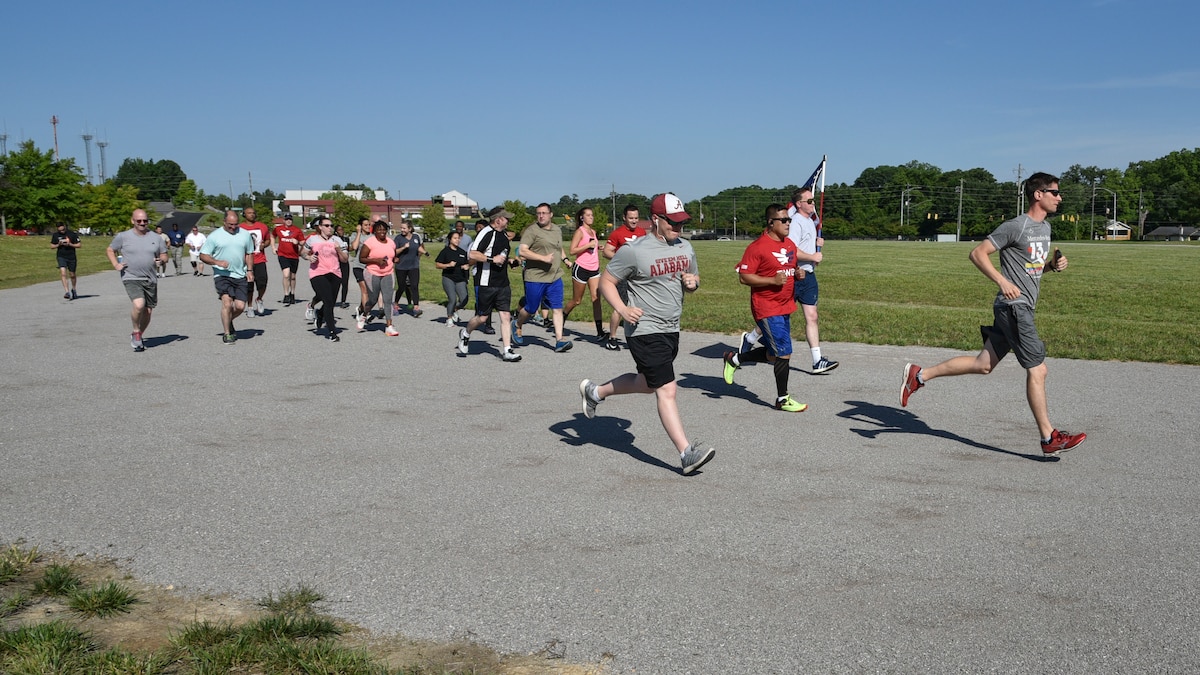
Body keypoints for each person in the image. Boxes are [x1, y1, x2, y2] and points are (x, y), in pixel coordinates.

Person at [899, 172, 1087, 456]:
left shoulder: (1045, 228)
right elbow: (977, 253)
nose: (1060, 198)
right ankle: (1049, 437)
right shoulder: (1015, 226)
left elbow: (1031, 270)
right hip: (1014, 307)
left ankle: (919, 375)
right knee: (1038, 369)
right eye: (1055, 192)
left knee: (983, 364)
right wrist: (1002, 281)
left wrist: (1051, 266)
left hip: (1019, 307)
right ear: (1038, 195)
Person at [578, 193, 715, 475]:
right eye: (672, 222)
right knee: (667, 388)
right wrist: (622, 309)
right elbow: (606, 282)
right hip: (644, 329)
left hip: (671, 328)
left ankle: (595, 392)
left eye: (681, 222)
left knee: (649, 383)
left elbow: (693, 278)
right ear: (655, 219)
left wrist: (693, 283)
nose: (678, 227)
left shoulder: (686, 247)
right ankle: (686, 453)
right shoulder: (634, 250)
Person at [739, 187, 838, 374]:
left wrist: (817, 246)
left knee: (812, 316)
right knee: (778, 315)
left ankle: (817, 360)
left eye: (814, 200)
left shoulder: (811, 222)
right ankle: (750, 339)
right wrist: (812, 256)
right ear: (799, 204)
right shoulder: (796, 222)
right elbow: (789, 250)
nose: (813, 204)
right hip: (789, 276)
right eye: (809, 201)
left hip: (807, 275)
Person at [721, 204, 807, 412]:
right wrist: (771, 281)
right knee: (784, 353)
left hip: (785, 306)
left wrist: (798, 274)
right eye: (783, 220)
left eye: (789, 220)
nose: (788, 223)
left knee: (772, 354)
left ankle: (735, 359)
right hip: (767, 307)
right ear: (770, 222)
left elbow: (790, 268)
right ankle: (782, 399)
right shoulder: (757, 247)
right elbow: (744, 277)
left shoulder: (789, 244)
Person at [456, 206, 521, 362]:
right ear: (498, 220)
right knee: (482, 318)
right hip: (486, 282)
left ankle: (507, 350)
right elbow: (472, 254)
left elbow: (500, 255)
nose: (508, 220)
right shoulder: (485, 233)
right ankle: (465, 333)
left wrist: (510, 261)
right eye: (506, 218)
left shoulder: (503, 234)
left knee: (505, 315)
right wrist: (492, 259)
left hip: (503, 282)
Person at [512, 203, 573, 353]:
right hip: (535, 277)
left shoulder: (557, 229)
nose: (541, 216)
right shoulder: (532, 231)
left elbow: (558, 247)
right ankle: (517, 324)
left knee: (557, 308)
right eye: (538, 213)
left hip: (555, 276)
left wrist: (565, 260)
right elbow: (522, 251)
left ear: (551, 214)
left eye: (544, 213)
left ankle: (559, 340)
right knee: (531, 308)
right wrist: (542, 258)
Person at [105, 209, 168, 351]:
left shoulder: (156, 237)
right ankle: (135, 330)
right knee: (139, 305)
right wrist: (115, 264)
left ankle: (138, 335)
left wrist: (161, 261)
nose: (142, 223)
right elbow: (110, 250)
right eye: (139, 221)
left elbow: (164, 255)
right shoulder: (123, 236)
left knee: (148, 311)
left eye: (145, 220)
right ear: (132, 221)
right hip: (131, 276)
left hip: (150, 278)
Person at [199, 210, 256, 344]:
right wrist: (216, 262)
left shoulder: (245, 234)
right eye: (230, 224)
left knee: (240, 306)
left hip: (240, 274)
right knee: (227, 303)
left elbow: (249, 253)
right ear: (224, 222)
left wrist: (250, 270)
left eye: (235, 224)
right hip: (222, 274)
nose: (233, 227)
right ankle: (227, 333)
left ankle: (228, 320)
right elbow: (203, 255)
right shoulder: (215, 236)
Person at [601, 203, 648, 351]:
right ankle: (612, 338)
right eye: (631, 218)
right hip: (622, 276)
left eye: (636, 218)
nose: (634, 221)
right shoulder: (617, 233)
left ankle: (640, 337)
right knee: (620, 306)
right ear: (624, 218)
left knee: (641, 305)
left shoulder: (642, 232)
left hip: (638, 276)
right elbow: (606, 252)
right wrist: (623, 261)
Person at [302, 216, 348, 341]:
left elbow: (345, 259)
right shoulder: (312, 239)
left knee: (331, 302)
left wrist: (338, 249)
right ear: (320, 227)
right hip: (318, 273)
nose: (330, 228)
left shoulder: (337, 240)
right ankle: (332, 332)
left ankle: (320, 313)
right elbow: (303, 252)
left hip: (335, 273)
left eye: (331, 226)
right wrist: (309, 257)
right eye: (327, 226)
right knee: (328, 301)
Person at [562, 206, 604, 339]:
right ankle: (561, 318)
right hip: (581, 269)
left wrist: (598, 247)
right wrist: (587, 246)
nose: (591, 217)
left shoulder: (593, 231)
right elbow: (572, 251)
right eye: (588, 215)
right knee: (577, 300)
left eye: (592, 215)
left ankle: (600, 332)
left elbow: (592, 248)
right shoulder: (580, 232)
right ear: (582, 217)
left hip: (594, 269)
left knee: (596, 299)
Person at [356, 219, 399, 337]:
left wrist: (395, 259)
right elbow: (362, 258)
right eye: (379, 230)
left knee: (388, 299)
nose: (382, 232)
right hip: (372, 273)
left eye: (384, 229)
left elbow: (393, 255)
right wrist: (376, 261)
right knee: (373, 299)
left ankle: (389, 326)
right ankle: (364, 314)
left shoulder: (391, 242)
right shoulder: (370, 242)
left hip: (388, 273)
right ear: (374, 231)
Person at [240, 207, 271, 317]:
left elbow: (268, 239)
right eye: (249, 213)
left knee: (263, 282)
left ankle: (259, 299)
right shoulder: (240, 228)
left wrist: (264, 245)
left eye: (253, 213)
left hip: (259, 259)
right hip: (245, 260)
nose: (252, 215)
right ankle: (250, 307)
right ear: (244, 214)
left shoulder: (262, 226)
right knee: (249, 285)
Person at [435, 229, 471, 326]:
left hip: (460, 278)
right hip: (448, 277)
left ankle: (455, 309)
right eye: (455, 238)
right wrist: (448, 265)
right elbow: (437, 265)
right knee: (452, 299)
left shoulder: (462, 252)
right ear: (450, 240)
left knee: (464, 299)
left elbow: (466, 264)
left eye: (458, 238)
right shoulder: (445, 251)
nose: (457, 240)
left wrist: (466, 267)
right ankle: (449, 318)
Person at [392, 220, 426, 317]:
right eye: (401, 228)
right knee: (402, 287)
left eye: (404, 228)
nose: (402, 230)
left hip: (414, 266)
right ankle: (395, 304)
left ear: (410, 229)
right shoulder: (398, 238)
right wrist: (403, 247)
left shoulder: (416, 237)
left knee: (414, 286)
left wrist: (425, 253)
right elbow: (394, 252)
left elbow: (418, 247)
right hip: (401, 266)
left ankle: (416, 307)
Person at [273, 213, 304, 305]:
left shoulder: (297, 230)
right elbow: (272, 236)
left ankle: (292, 293)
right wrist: (273, 247)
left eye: (290, 219)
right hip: (283, 255)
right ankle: (286, 295)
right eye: (287, 219)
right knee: (286, 275)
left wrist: (297, 242)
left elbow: (303, 242)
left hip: (294, 256)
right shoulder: (278, 229)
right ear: (284, 220)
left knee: (292, 277)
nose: (288, 221)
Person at [50, 222, 81, 299]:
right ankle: (67, 292)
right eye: (60, 230)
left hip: (71, 256)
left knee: (72, 275)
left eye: (63, 229)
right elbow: (52, 246)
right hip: (61, 256)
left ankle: (74, 289)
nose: (61, 231)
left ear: (64, 227)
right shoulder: (55, 235)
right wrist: (58, 245)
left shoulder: (72, 234)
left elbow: (79, 245)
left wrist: (70, 244)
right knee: (63, 273)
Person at [349, 217, 372, 320]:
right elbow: (354, 247)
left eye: (369, 225)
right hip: (358, 266)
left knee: (369, 291)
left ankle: (360, 309)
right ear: (360, 226)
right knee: (364, 290)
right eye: (365, 225)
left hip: (369, 266)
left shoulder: (372, 237)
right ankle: (367, 313)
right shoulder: (355, 235)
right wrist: (358, 232)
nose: (368, 227)